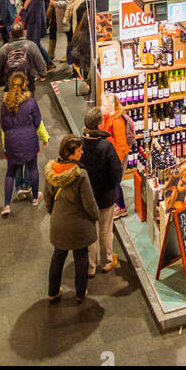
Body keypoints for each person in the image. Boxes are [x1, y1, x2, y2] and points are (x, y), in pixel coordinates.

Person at [43, 135, 99, 303]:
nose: (82, 152)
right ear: (70, 154)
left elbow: (47, 198)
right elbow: (89, 204)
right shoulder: (80, 176)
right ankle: (80, 293)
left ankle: (53, 291)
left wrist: (55, 213)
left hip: (58, 222)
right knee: (81, 256)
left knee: (58, 256)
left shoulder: (52, 171)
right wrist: (95, 217)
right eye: (79, 150)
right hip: (78, 225)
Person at [0, 72, 46, 216]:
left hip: (11, 142)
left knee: (10, 173)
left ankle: (6, 205)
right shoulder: (31, 102)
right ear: (25, 84)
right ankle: (35, 198)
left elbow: (3, 126)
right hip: (29, 140)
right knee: (33, 169)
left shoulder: (5, 104)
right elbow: (37, 122)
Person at [82, 107, 121, 276]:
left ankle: (90, 266)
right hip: (105, 195)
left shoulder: (81, 144)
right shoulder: (105, 146)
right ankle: (106, 261)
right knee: (105, 228)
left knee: (90, 230)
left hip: (87, 195)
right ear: (99, 125)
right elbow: (116, 173)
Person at [100, 96, 135, 218]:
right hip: (110, 156)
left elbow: (121, 145)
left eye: (104, 105)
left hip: (117, 158)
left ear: (111, 107)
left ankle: (121, 207)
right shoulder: (108, 117)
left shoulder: (117, 121)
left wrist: (116, 164)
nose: (101, 107)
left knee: (115, 182)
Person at [0, 21, 46, 94]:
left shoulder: (3, 50)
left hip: (10, 82)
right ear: (23, 33)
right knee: (28, 102)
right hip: (28, 81)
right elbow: (40, 62)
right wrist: (42, 74)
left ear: (10, 34)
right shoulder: (31, 46)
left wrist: (0, 82)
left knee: (12, 103)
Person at [23, 0, 53, 69]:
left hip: (35, 27)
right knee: (35, 46)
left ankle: (45, 64)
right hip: (33, 26)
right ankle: (47, 63)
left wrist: (23, 14)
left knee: (35, 46)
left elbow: (30, 14)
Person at [63, 0, 86, 67]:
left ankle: (75, 69)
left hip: (77, 30)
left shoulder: (81, 4)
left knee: (75, 51)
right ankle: (73, 66)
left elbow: (80, 20)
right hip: (71, 29)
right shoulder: (72, 2)